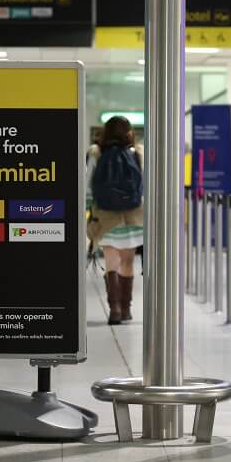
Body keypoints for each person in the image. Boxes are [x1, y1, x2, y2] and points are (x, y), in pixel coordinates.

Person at [86, 115, 144, 325]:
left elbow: (88, 186)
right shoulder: (137, 152)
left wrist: (90, 210)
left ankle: (115, 309)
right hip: (133, 215)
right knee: (128, 261)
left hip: (106, 215)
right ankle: (126, 307)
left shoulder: (96, 152)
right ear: (129, 132)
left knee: (112, 260)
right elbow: (143, 185)